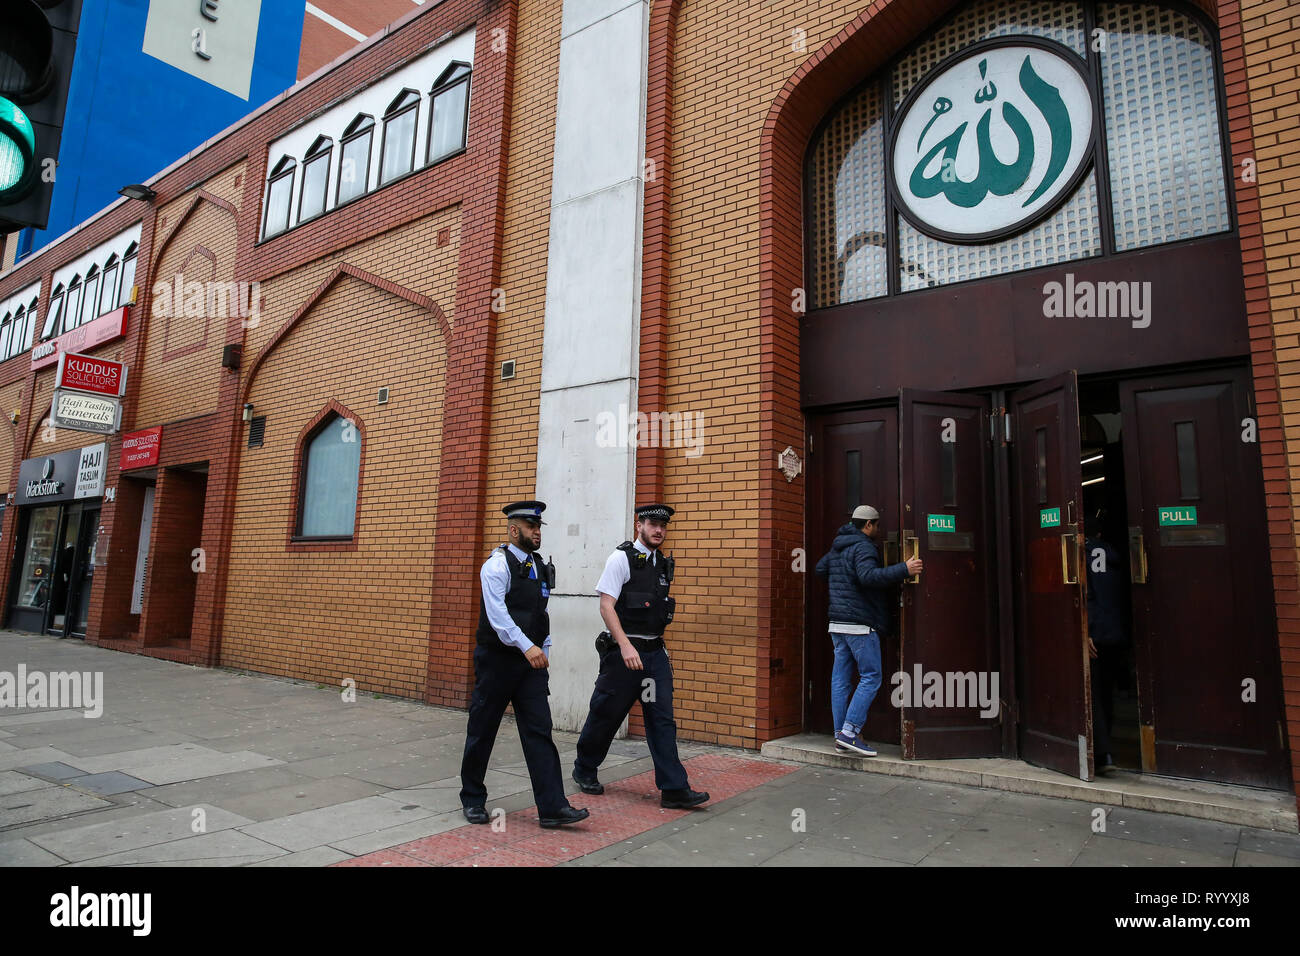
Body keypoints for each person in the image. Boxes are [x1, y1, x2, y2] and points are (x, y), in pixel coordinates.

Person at [459, 500, 590, 828]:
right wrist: (527, 646)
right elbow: (498, 616)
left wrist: (542, 648)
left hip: (530, 665)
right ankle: (473, 798)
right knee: (483, 729)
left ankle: (552, 808)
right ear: (514, 529)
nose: (537, 533)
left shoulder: (538, 565)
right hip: (497, 661)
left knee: (539, 731)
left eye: (539, 527)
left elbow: (539, 613)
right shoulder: (496, 565)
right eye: (531, 527)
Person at [571, 504, 709, 809]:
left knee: (662, 720)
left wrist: (657, 647)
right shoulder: (621, 559)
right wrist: (625, 646)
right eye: (652, 524)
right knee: (606, 714)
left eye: (663, 525)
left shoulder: (662, 563)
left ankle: (674, 789)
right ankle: (585, 768)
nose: (659, 530)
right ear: (639, 526)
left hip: (654, 655)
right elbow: (606, 605)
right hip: (623, 656)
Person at [814, 505, 922, 756]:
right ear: (868, 525)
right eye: (877, 525)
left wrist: (841, 589)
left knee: (840, 680)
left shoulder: (838, 545)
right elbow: (868, 577)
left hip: (837, 623)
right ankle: (850, 732)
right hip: (859, 623)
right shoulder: (862, 546)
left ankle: (839, 734)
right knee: (871, 676)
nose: (878, 530)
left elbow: (821, 570)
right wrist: (904, 570)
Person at [1084, 510, 1130, 773]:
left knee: (1093, 693)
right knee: (1106, 692)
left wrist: (1086, 629)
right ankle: (1106, 749)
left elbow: (1088, 595)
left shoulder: (1082, 555)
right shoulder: (1114, 556)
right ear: (1100, 533)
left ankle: (1102, 754)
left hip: (1096, 631)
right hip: (1116, 631)